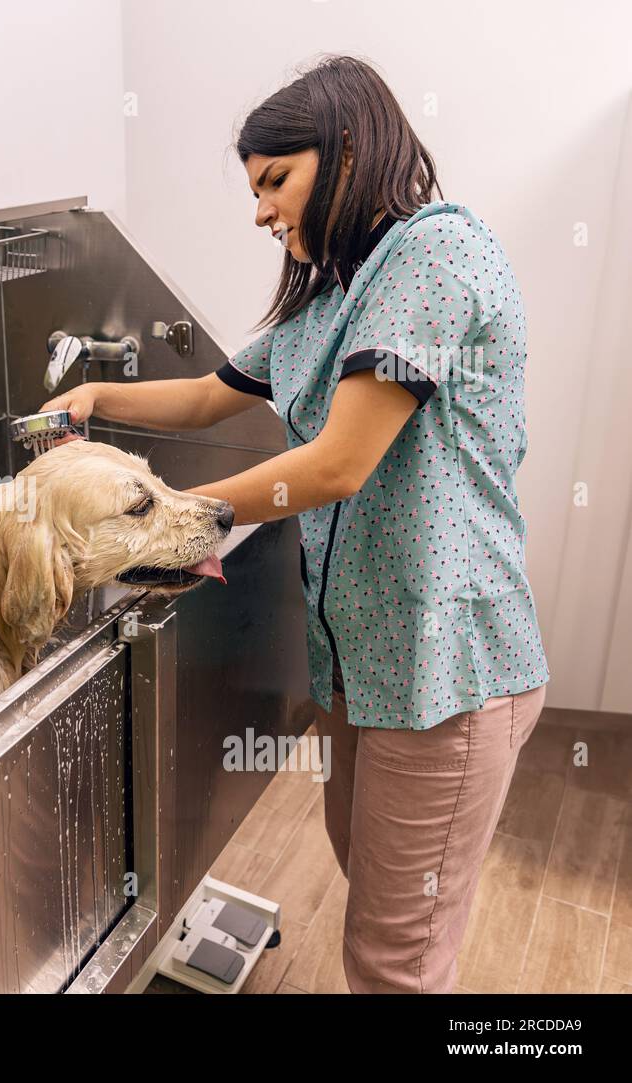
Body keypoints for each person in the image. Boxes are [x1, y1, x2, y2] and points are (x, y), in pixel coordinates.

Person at [40, 55, 549, 994]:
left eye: (277, 180)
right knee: (375, 881)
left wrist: (184, 524)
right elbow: (206, 396)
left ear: (350, 152)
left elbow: (340, 461)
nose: (263, 211)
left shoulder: (437, 253)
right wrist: (90, 400)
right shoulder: (326, 300)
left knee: (392, 958)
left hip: (449, 671)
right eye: (254, 188)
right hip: (365, 664)